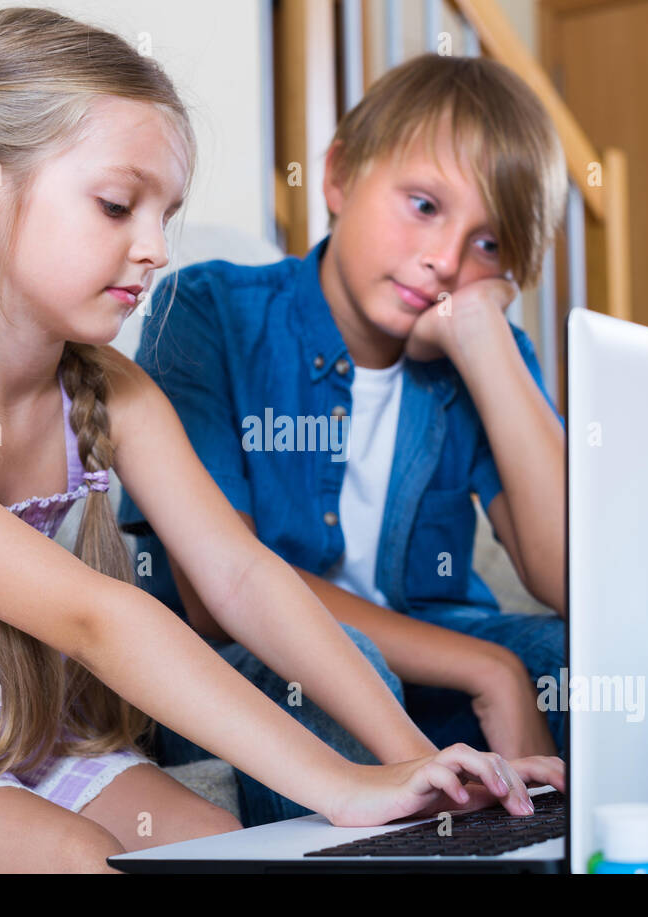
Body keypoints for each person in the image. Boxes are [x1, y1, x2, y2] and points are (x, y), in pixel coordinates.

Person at [0, 9, 560, 875]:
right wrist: (338, 784)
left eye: (167, 213)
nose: (157, 247)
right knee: (71, 858)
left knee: (209, 843)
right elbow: (97, 617)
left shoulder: (115, 393)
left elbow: (242, 576)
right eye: (120, 206)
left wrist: (415, 769)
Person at [119, 52, 569, 827]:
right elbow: (218, 597)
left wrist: (486, 338)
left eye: (488, 245)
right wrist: (487, 669)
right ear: (338, 178)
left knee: (574, 659)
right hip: (262, 661)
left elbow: (568, 578)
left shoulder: (482, 347)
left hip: (429, 654)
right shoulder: (211, 312)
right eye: (425, 205)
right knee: (350, 666)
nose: (448, 261)